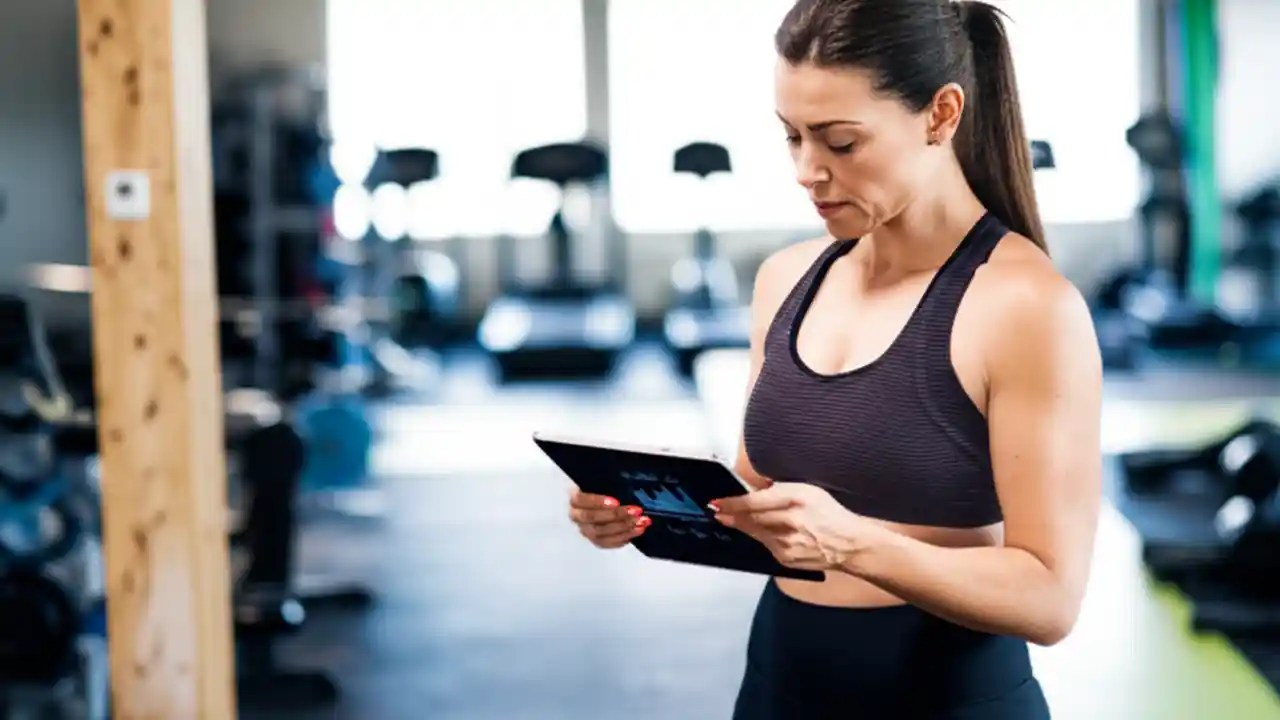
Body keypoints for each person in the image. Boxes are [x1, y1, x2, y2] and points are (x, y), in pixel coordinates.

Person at [568, 0, 1102, 717]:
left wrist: (856, 546)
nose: (805, 171)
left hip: (949, 697)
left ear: (940, 115)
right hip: (780, 680)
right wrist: (645, 505)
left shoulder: (1026, 307)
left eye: (840, 142)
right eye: (791, 137)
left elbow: (1050, 597)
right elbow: (758, 495)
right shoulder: (786, 279)